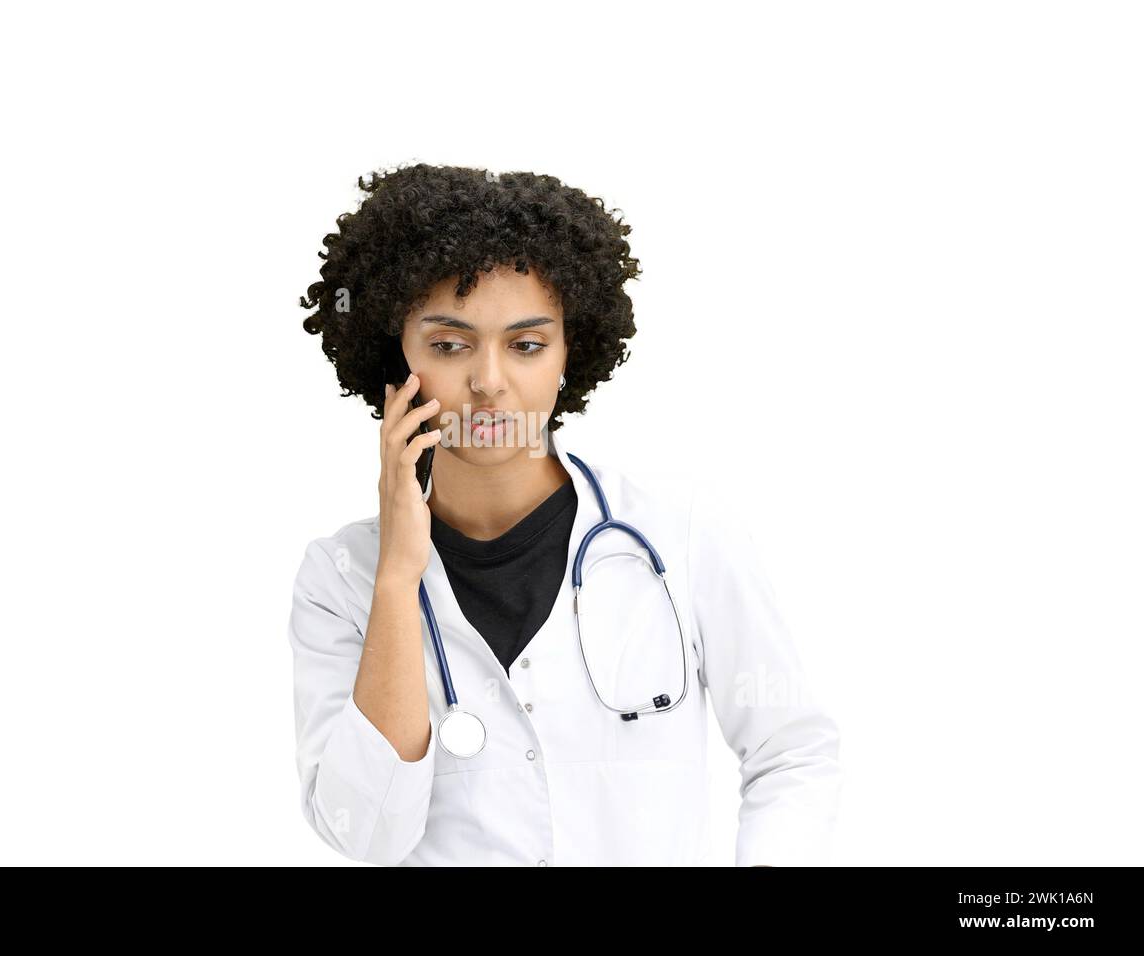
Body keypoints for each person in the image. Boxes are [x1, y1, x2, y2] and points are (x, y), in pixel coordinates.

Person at [289, 162, 842, 866]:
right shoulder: (340, 579)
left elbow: (791, 753)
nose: (489, 382)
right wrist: (397, 579)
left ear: (568, 354)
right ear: (397, 354)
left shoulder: (683, 535)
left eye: (525, 345)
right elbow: (366, 834)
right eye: (450, 344)